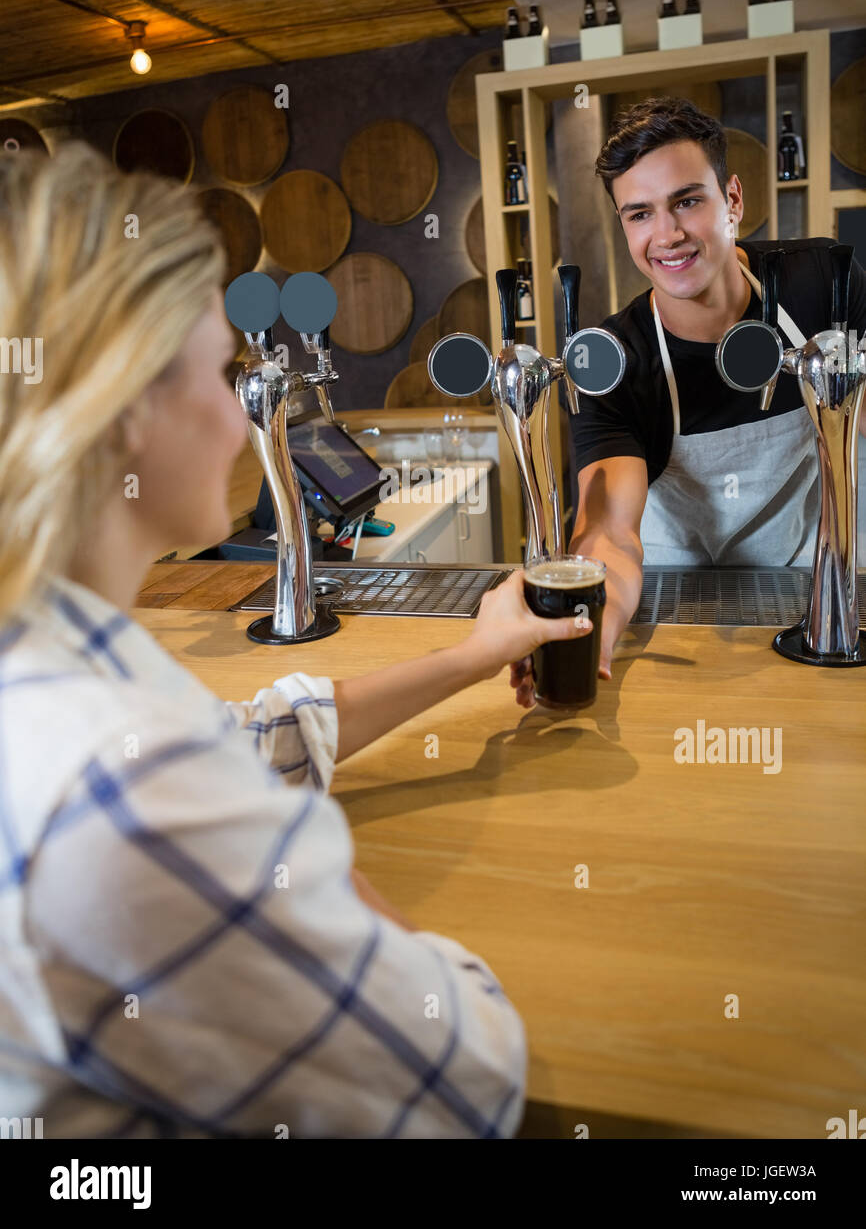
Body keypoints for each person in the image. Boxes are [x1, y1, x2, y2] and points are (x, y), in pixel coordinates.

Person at [0, 142, 592, 1139]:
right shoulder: (119, 792)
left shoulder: (57, 649)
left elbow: (251, 739)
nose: (244, 422)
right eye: (222, 371)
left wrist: (475, 652)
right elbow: (464, 1079)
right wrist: (312, 860)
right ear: (126, 404)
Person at [509, 97, 866, 708]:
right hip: (670, 602)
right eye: (639, 214)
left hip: (808, 589)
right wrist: (585, 634)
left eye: (687, 201)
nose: (667, 235)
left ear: (732, 200)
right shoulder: (613, 358)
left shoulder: (821, 288)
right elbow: (608, 533)